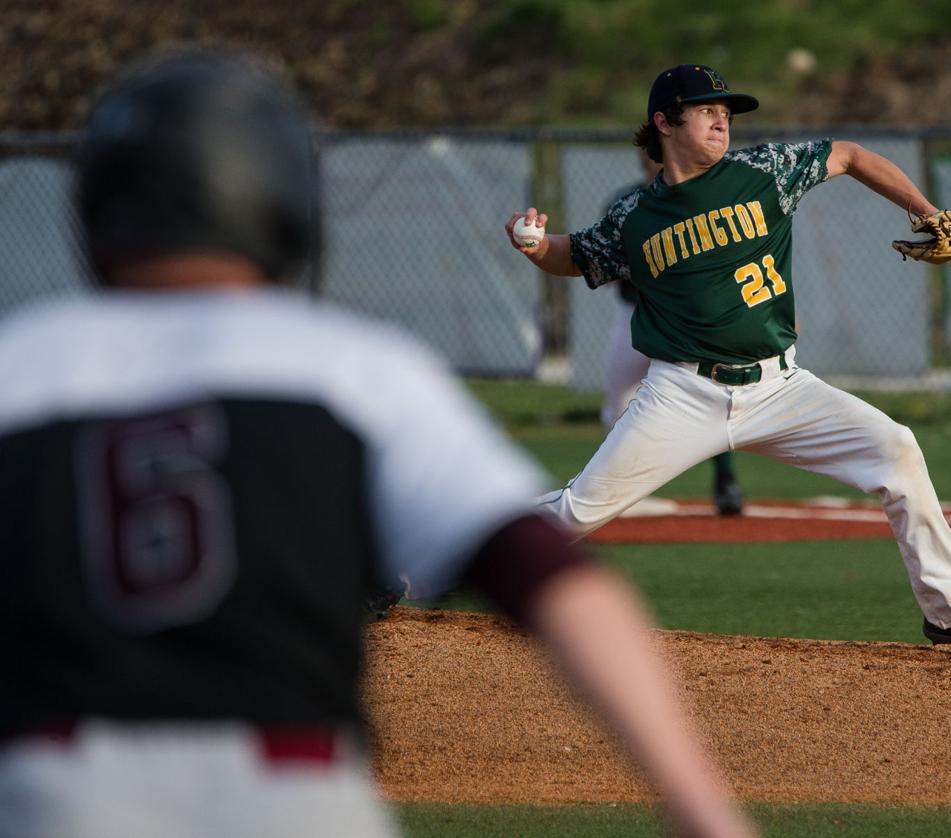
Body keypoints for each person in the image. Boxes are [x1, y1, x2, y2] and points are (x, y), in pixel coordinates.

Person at [0, 50, 756, 838]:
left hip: (55, 796)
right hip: (295, 796)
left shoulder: (18, 366)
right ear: (283, 200)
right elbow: (556, 583)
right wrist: (699, 805)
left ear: (94, 206)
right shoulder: (349, 366)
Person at [506, 63, 951, 655]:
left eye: (726, 112)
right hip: (683, 394)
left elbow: (850, 155)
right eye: (707, 110)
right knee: (579, 511)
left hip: (780, 388)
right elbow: (576, 255)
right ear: (664, 121)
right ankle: (420, 559)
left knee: (896, 449)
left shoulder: (761, 170)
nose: (722, 121)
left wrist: (923, 210)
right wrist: (534, 245)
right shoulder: (634, 215)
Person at [603, 150, 745, 515]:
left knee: (712, 397)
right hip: (634, 313)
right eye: (652, 155)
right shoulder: (624, 204)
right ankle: (614, 487)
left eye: (663, 155)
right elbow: (602, 265)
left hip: (684, 318)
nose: (658, 162)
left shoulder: (701, 201)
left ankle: (725, 480)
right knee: (618, 402)